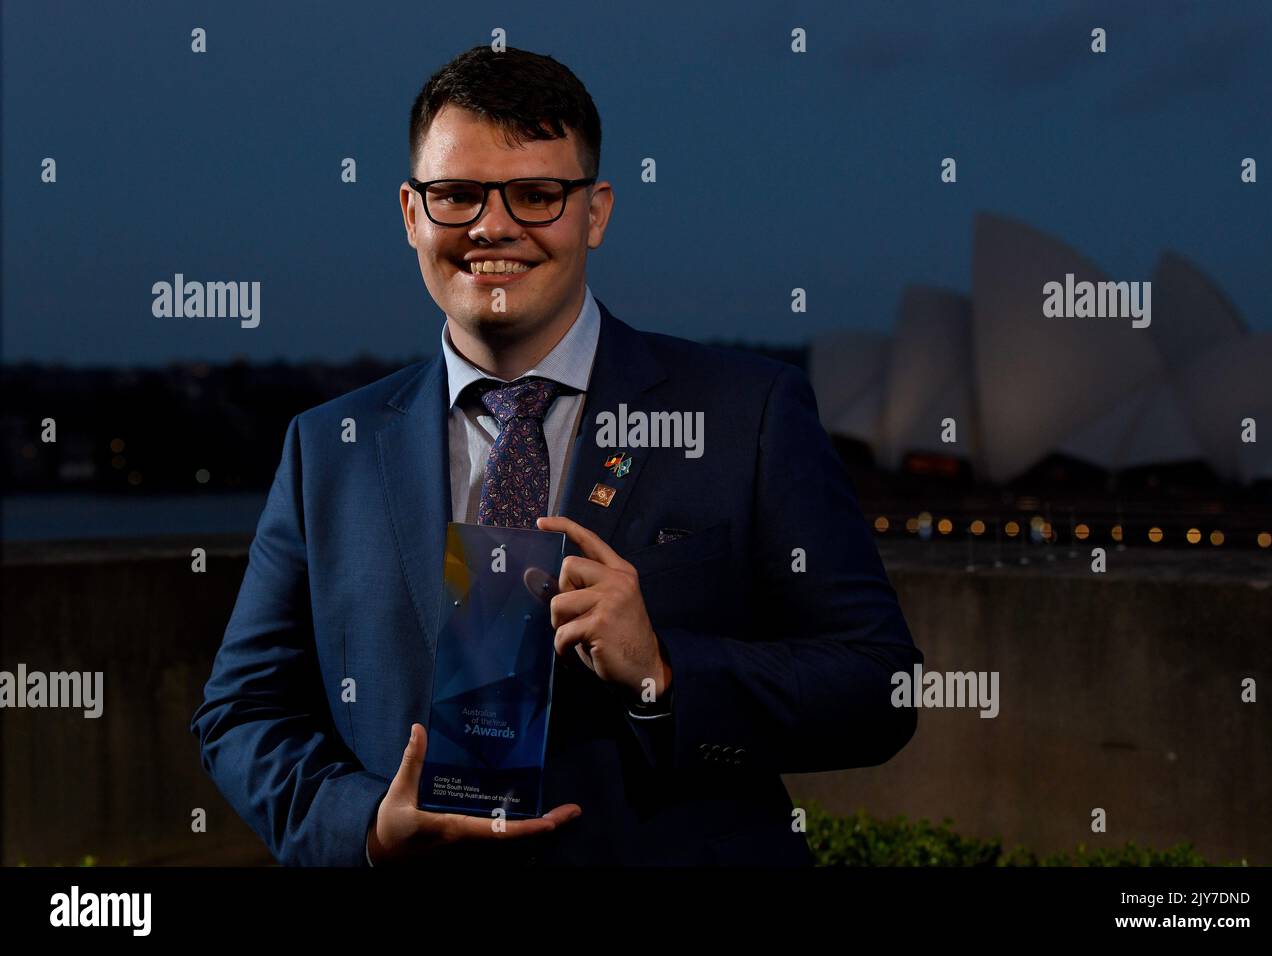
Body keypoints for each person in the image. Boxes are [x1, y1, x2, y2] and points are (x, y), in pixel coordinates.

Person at [190, 45, 922, 866]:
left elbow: (881, 688)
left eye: (537, 195)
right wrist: (363, 825)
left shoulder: (748, 414)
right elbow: (239, 715)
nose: (492, 226)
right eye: (456, 196)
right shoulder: (327, 448)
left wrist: (667, 672)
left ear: (597, 211)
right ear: (410, 213)